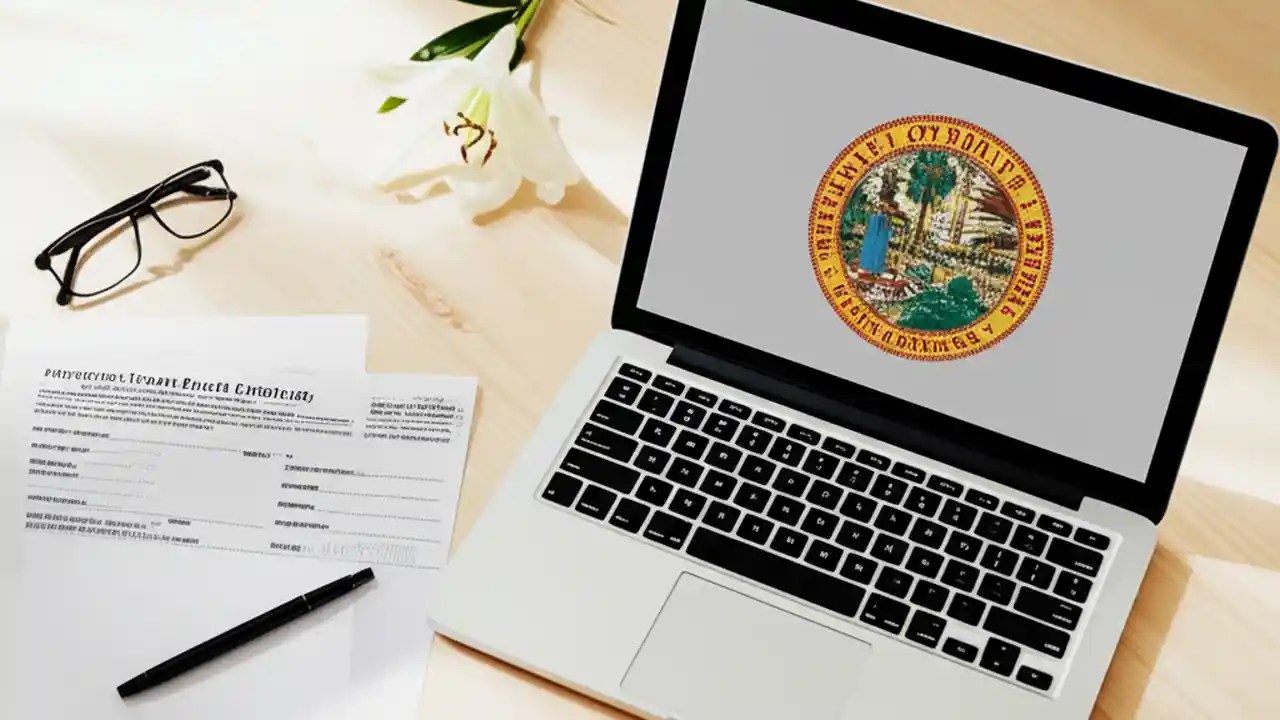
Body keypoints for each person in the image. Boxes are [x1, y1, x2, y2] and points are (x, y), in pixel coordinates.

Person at [859, 200, 893, 275]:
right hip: (877, 238)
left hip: (876, 239)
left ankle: (870, 268)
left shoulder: (877, 218)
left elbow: (888, 231)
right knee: (875, 252)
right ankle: (872, 268)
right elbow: (889, 232)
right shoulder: (877, 218)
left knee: (874, 252)